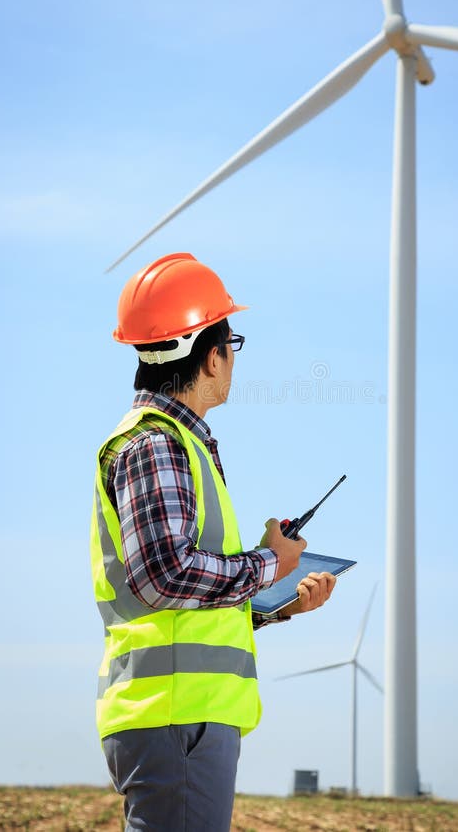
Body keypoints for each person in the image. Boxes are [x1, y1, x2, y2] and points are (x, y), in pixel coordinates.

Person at [90, 253, 337, 831]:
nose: (233, 361)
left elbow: (183, 606)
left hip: (181, 717)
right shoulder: (157, 444)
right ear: (210, 355)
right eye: (234, 344)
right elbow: (166, 577)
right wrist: (271, 563)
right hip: (177, 719)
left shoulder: (177, 445)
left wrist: (281, 604)